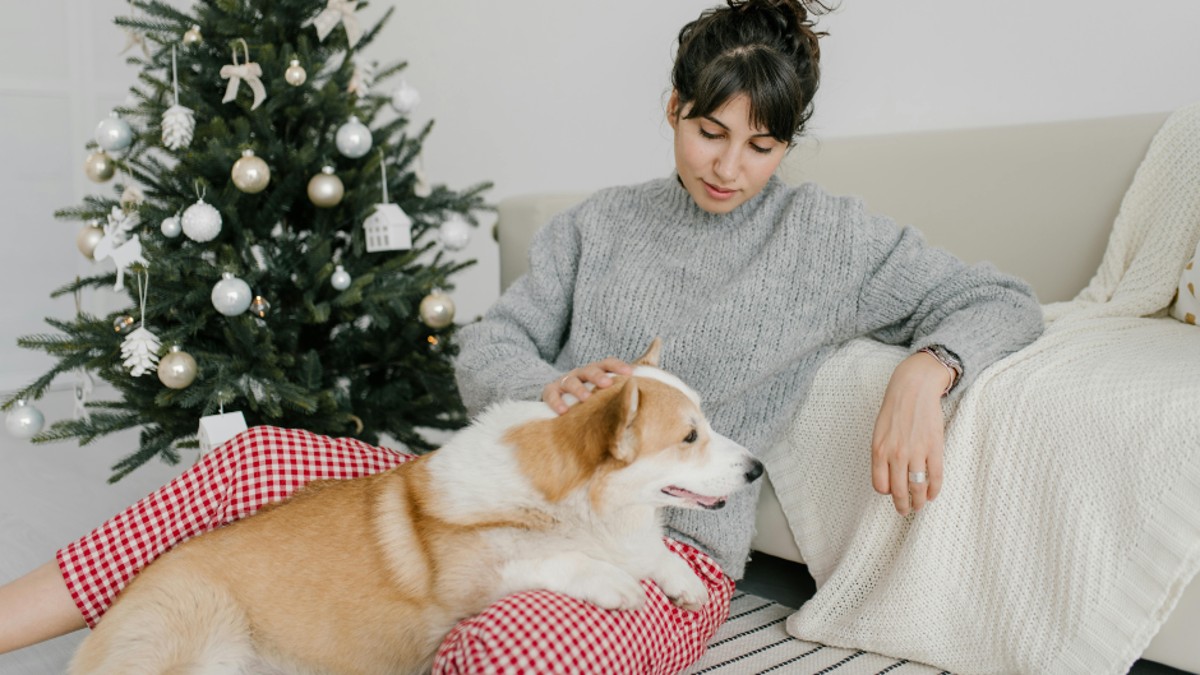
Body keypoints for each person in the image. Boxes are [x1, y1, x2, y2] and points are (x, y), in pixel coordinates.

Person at [0, 0, 1044, 671]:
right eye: (708, 132)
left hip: (659, 560)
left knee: (504, 647)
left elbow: (1002, 296)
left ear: (788, 145)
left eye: (762, 146)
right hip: (512, 508)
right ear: (672, 107)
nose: (730, 166)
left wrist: (929, 367)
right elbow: (489, 351)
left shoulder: (831, 237)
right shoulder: (598, 222)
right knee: (259, 456)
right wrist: (552, 389)